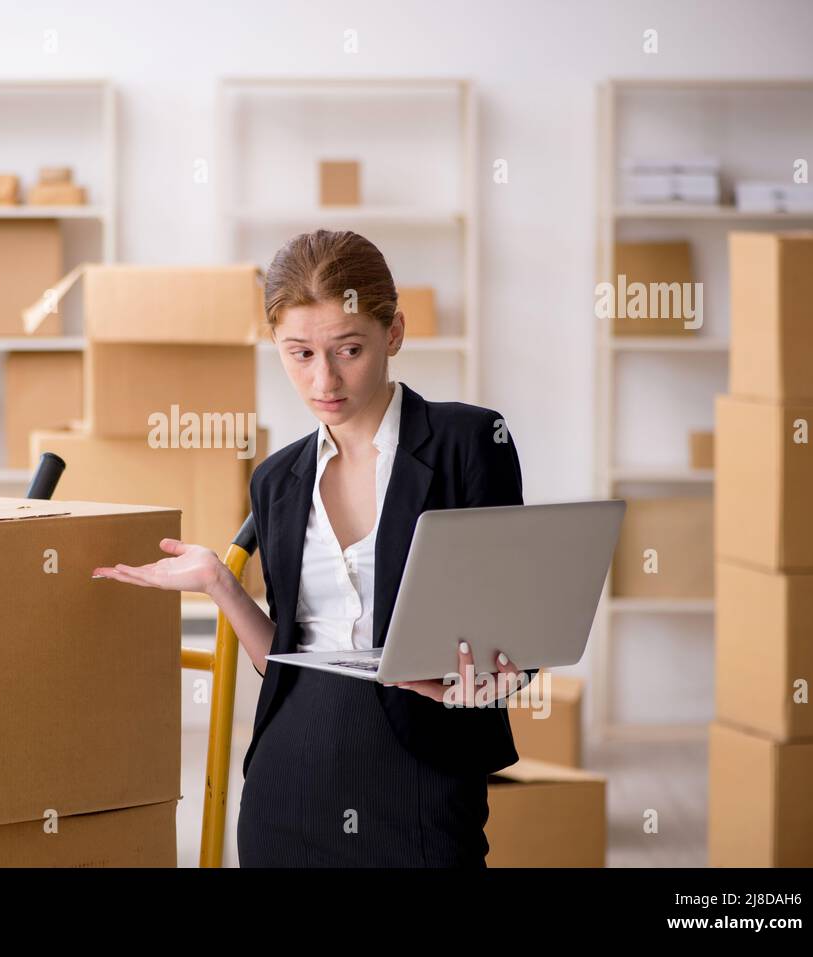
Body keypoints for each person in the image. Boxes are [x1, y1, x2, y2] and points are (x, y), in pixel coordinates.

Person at [92, 229, 533, 867]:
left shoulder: (469, 441)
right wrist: (220, 583)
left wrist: (483, 682)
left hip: (423, 774)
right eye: (299, 353)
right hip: (291, 773)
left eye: (348, 349)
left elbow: (515, 634)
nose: (324, 379)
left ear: (394, 333)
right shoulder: (277, 480)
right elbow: (285, 663)